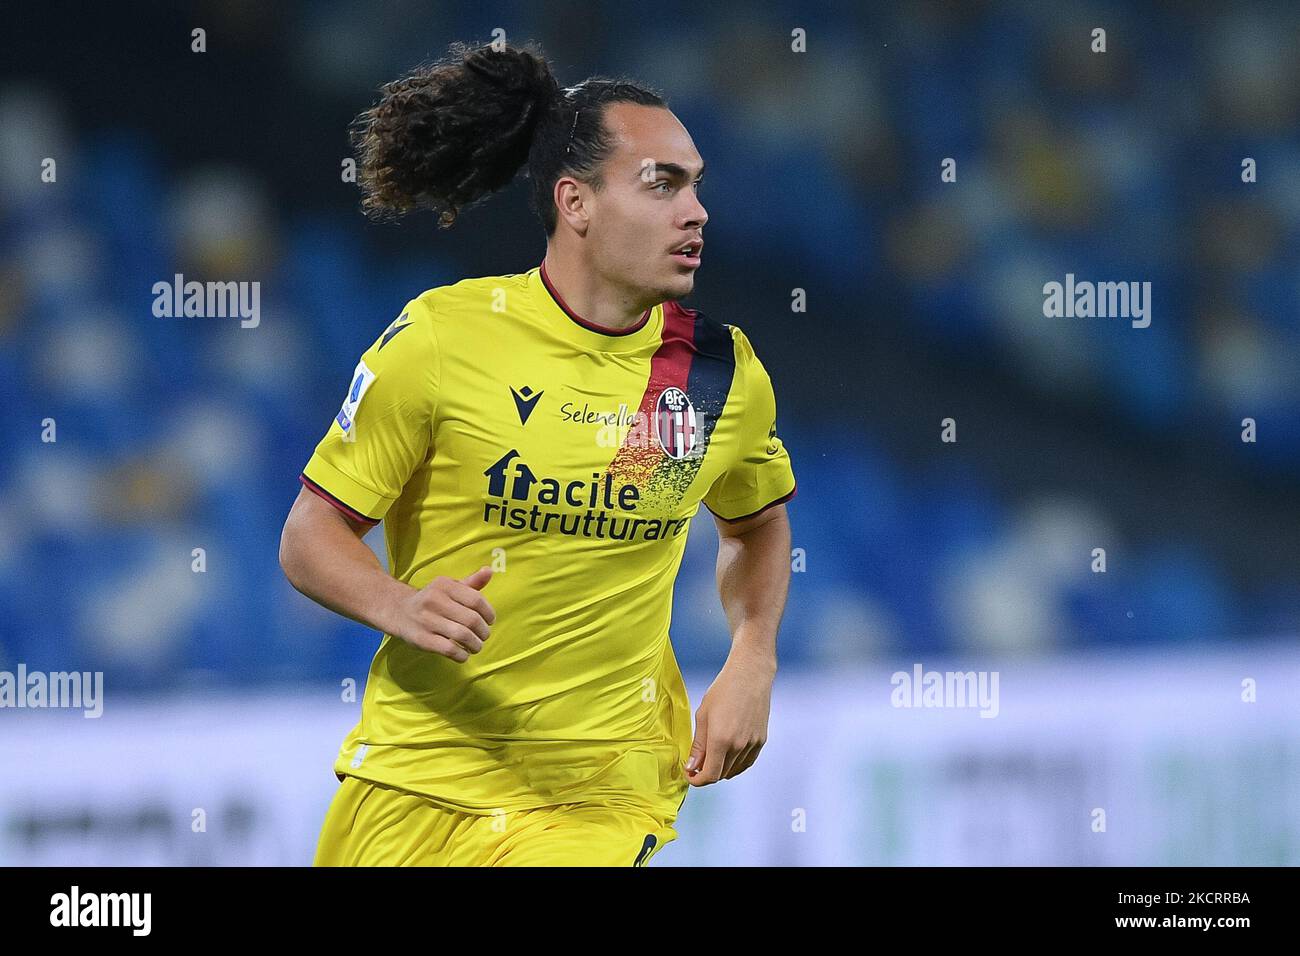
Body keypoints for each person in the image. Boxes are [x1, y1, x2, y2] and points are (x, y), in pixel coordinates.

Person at [278, 39, 796, 866]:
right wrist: (397, 604)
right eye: (662, 183)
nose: (696, 210)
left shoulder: (715, 374)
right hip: (413, 780)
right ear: (576, 202)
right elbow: (310, 534)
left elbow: (757, 526)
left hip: (596, 795)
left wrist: (752, 656)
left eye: (696, 184)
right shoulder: (443, 340)